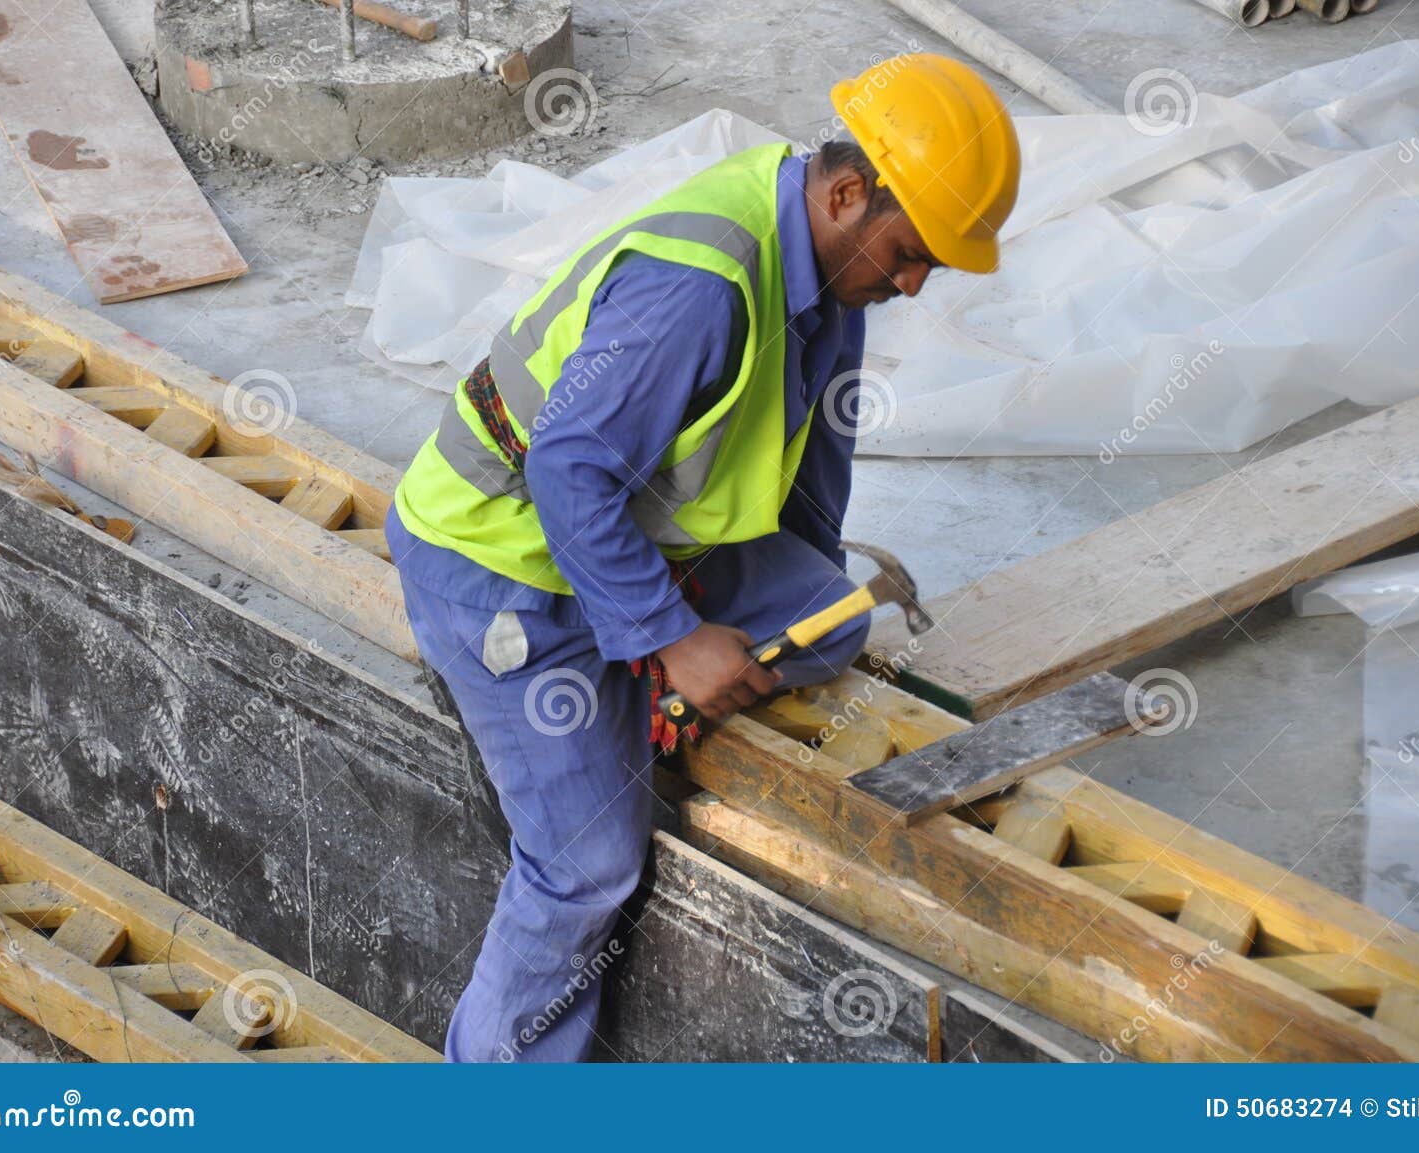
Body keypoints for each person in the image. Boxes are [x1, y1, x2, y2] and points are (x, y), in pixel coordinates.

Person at [385, 52, 1021, 1061]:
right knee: (588, 865)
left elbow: (812, 462)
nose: (911, 284)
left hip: (622, 542)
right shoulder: (700, 288)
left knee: (829, 621)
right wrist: (676, 640)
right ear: (847, 195)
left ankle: (634, 687)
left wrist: (789, 598)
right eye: (908, 253)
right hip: (499, 563)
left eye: (930, 266)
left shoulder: (825, 269)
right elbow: (567, 470)